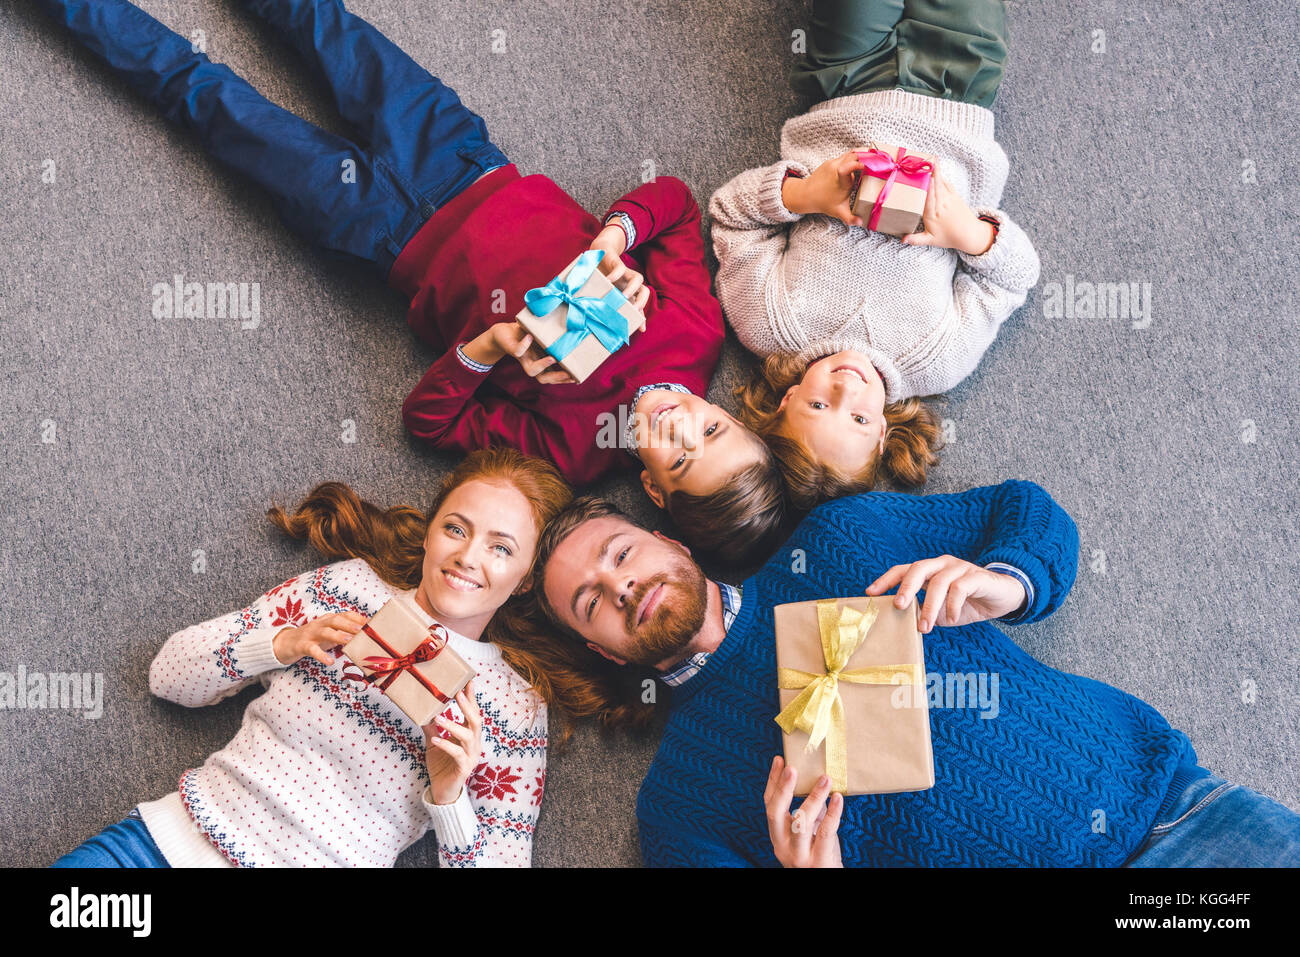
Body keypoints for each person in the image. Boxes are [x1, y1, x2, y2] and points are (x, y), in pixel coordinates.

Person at [33, 0, 789, 562]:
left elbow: (427, 425)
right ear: (734, 416)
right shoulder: (694, 331)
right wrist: (614, 239)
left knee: (205, 97)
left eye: (681, 456)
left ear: (653, 490)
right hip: (461, 158)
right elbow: (678, 206)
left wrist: (491, 346)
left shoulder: (575, 453)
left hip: (377, 231)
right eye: (714, 427)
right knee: (316, 21)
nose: (682, 424)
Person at [532, 483, 1300, 866]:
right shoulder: (675, 805)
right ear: (601, 649)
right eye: (589, 600)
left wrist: (1005, 580)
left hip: (1175, 820)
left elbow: (1023, 509)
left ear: (672, 542)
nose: (621, 585)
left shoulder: (839, 537)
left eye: (621, 553)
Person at [51, 448, 575, 867]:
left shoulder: (514, 707)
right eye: (456, 529)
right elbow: (167, 676)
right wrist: (280, 644)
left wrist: (449, 793)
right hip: (161, 849)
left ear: (526, 578)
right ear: (431, 532)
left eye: (501, 548)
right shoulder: (347, 588)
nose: (468, 556)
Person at [712, 0, 1040, 509]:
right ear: (884, 433)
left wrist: (803, 196)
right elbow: (1013, 280)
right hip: (959, 98)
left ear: (786, 401)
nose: (847, 391)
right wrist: (968, 233)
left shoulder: (767, 328)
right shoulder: (937, 361)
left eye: (819, 405)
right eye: (860, 419)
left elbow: (729, 216)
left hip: (843, 88)